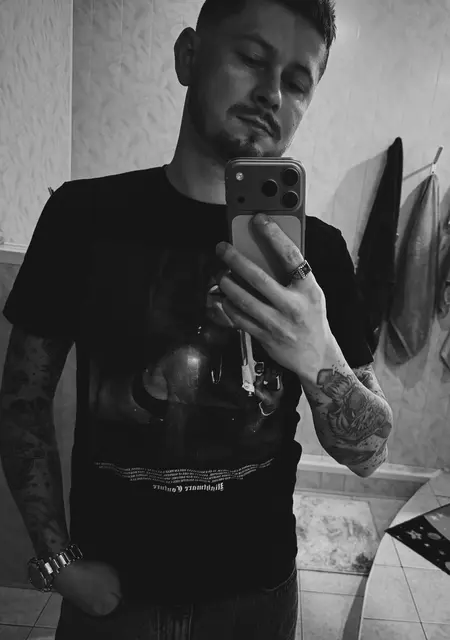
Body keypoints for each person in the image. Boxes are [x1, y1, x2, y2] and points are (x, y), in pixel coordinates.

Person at [0, 0, 394, 638]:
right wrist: (57, 561)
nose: (272, 94)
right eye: (252, 58)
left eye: (297, 82)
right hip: (113, 599)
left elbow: (371, 454)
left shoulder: (316, 255)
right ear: (189, 56)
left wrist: (316, 349)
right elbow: (22, 404)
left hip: (255, 598)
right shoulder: (83, 217)